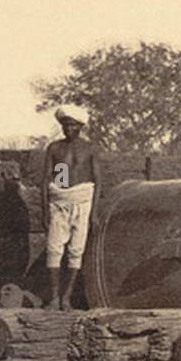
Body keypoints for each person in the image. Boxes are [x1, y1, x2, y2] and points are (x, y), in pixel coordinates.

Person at [42, 105, 103, 310]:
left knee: (76, 250)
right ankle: (53, 297)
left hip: (82, 201)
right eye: (66, 125)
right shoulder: (56, 148)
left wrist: (93, 214)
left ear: (80, 126)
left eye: (73, 125)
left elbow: (97, 181)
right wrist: (45, 210)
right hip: (60, 202)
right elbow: (53, 180)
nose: (69, 129)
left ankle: (66, 297)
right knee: (54, 249)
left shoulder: (89, 149)